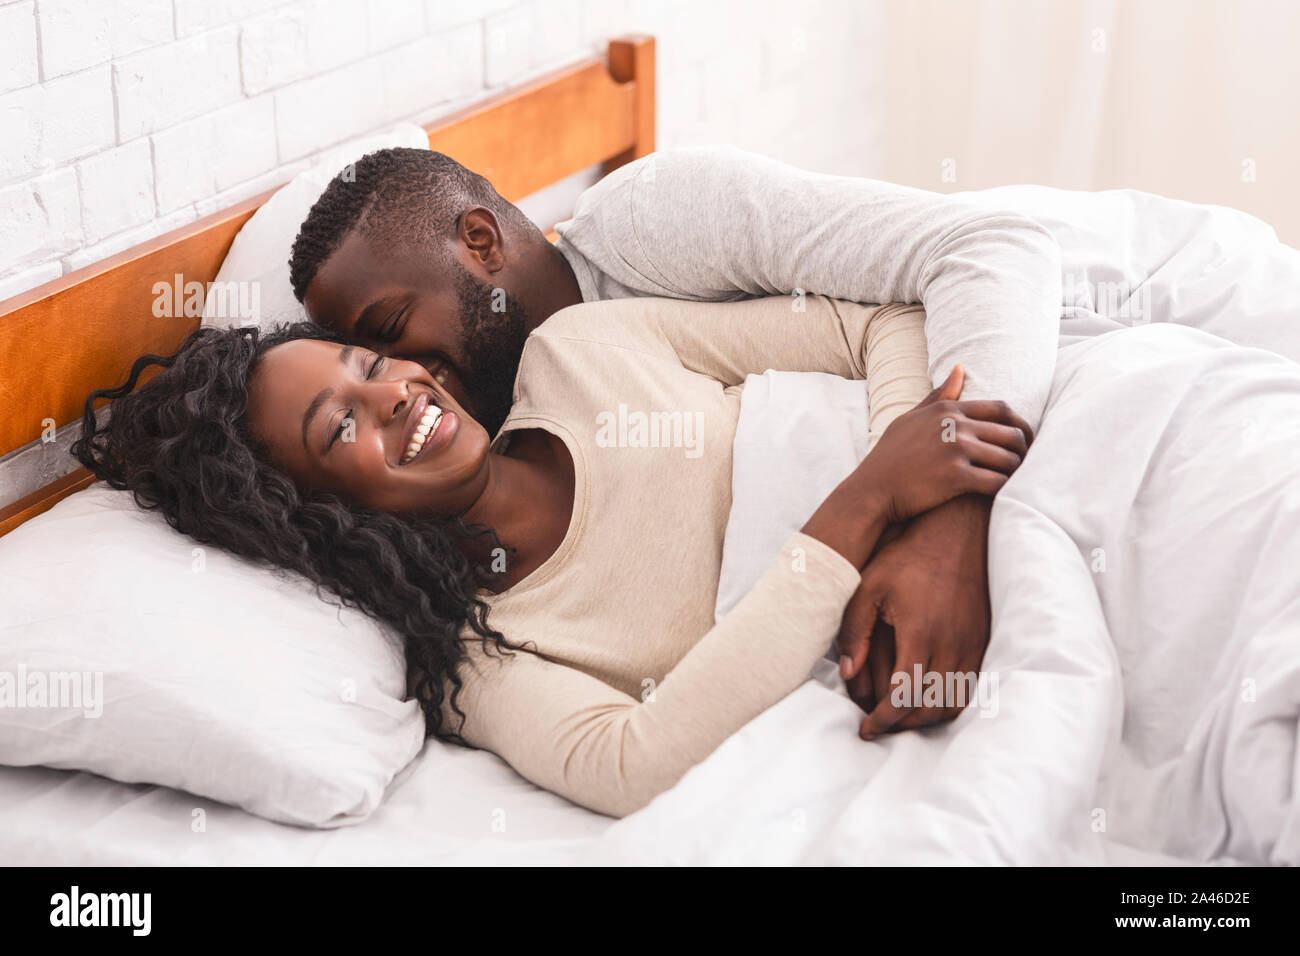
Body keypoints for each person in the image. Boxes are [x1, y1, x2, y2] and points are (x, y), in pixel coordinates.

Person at [75, 293, 1031, 817]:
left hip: (1015, 468)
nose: (395, 396)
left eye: (369, 366)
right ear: (320, 517)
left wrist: (931, 523)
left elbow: (878, 324)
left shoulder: (583, 349)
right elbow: (630, 765)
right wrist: (870, 499)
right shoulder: (483, 653)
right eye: (342, 428)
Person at [285, 145, 1063, 737]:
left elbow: (991, 246)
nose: (405, 379)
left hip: (1035, 331)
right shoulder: (517, 435)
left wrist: (943, 530)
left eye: (389, 336)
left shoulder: (652, 226)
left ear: (482, 243)